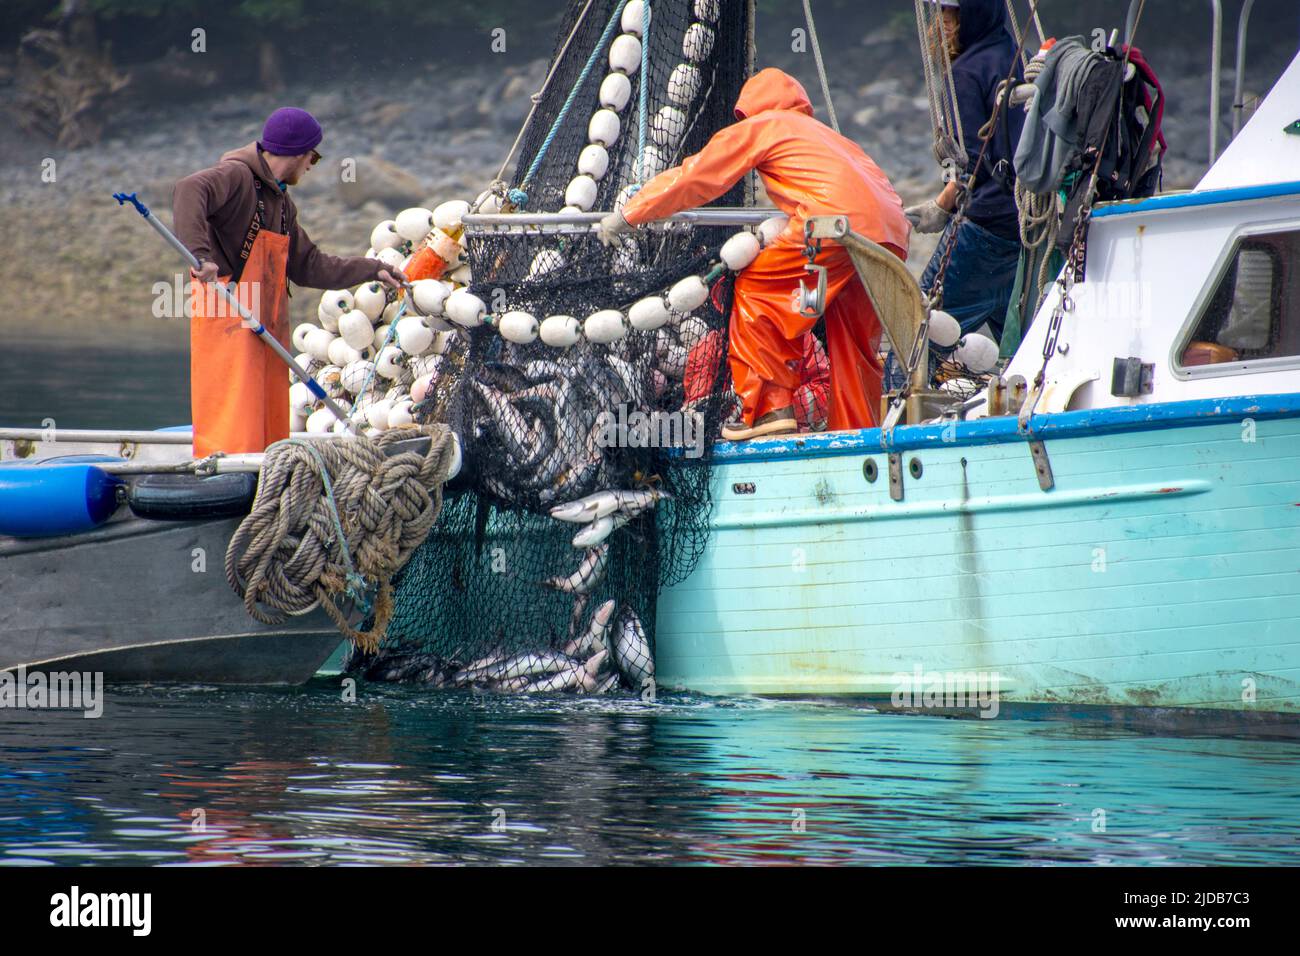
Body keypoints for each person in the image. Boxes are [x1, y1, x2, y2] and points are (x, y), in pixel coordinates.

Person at [599, 68, 910, 440]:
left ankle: (768, 410)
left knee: (755, 292)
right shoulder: (832, 138)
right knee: (855, 339)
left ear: (752, 110)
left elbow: (698, 175)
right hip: (890, 235)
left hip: (832, 225)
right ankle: (858, 432)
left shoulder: (767, 125)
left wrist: (630, 212)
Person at [173, 107, 405, 458]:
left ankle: (267, 473)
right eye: (314, 154)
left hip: (265, 326)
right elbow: (190, 190)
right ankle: (225, 475)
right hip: (229, 318)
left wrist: (372, 270)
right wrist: (201, 255)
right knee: (233, 418)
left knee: (267, 420)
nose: (313, 164)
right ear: (298, 152)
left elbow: (308, 265)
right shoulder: (236, 176)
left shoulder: (281, 203)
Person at [905, 0, 1024, 344]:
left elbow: (971, 165)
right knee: (1024, 347)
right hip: (1026, 230)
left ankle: (898, 395)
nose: (938, 26)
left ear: (971, 16)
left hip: (986, 233)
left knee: (917, 337)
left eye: (948, 15)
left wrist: (941, 207)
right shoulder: (1021, 58)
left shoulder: (966, 74)